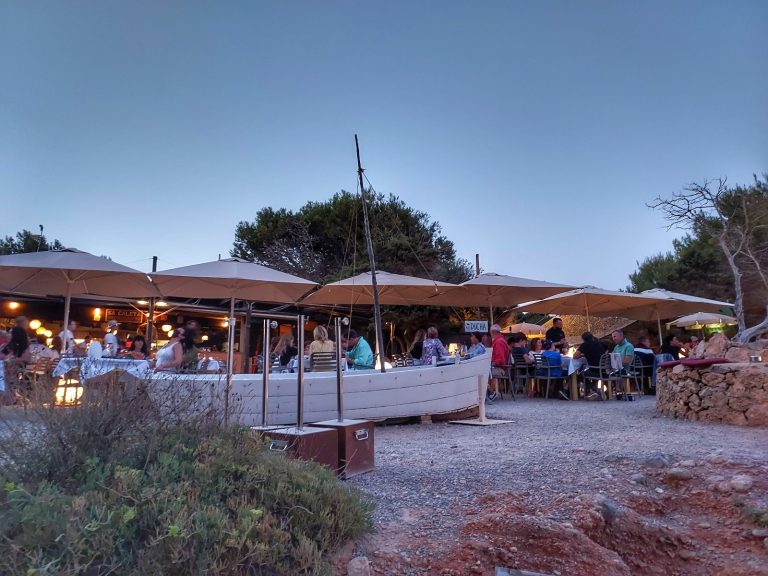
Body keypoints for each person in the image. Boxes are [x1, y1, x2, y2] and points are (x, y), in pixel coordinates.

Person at [573, 332, 605, 398]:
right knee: (586, 370)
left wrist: (582, 353)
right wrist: (585, 354)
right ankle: (595, 391)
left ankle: (594, 390)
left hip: (594, 370)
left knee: (579, 374)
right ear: (592, 337)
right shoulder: (599, 344)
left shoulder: (585, 345)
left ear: (583, 339)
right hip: (603, 370)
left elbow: (575, 356)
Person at [488, 324, 510, 402]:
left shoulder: (498, 342)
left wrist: (491, 363)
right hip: (500, 367)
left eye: (490, 332)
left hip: (500, 368)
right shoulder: (500, 340)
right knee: (484, 371)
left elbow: (500, 359)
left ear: (493, 332)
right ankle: (489, 392)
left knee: (483, 372)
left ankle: (491, 392)